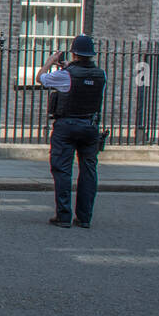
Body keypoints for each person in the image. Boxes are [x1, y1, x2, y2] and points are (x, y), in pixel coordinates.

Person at [37, 34, 106, 228]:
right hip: (90, 126)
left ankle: (64, 215)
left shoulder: (66, 75)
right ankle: (84, 218)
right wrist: (68, 66)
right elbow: (83, 79)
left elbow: (40, 78)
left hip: (66, 126)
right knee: (89, 171)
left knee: (62, 170)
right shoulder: (101, 75)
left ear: (74, 53)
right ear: (91, 54)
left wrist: (50, 61)